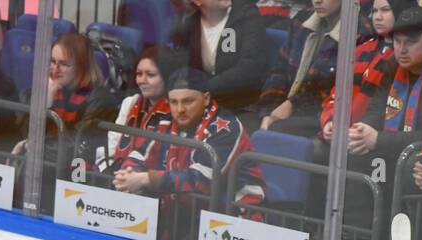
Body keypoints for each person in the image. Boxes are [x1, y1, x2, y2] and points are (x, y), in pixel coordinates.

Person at [114, 69, 265, 240]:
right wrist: (128, 173)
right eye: (174, 102)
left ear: (206, 99)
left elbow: (200, 180)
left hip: (234, 220)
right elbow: (140, 154)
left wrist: (146, 179)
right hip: (187, 211)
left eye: (188, 101)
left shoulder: (226, 127)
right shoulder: (167, 119)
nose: (180, 109)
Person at [14, 33, 116, 170]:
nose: (55, 70)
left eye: (63, 64)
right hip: (42, 168)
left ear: (82, 66)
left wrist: (33, 146)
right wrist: (46, 104)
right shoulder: (42, 90)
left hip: (79, 173)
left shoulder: (99, 98)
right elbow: (23, 131)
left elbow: (77, 145)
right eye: (52, 61)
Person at [349, 6, 422, 165]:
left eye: (411, 42)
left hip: (418, 154)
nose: (402, 50)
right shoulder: (392, 65)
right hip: (394, 147)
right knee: (354, 151)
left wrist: (379, 139)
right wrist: (363, 130)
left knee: (413, 165)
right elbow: (377, 109)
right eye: (397, 41)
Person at [319, 0, 407, 141]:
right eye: (374, 11)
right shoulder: (361, 49)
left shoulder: (404, 58)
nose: (377, 17)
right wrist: (329, 120)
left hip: (366, 136)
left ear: (401, 11)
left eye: (385, 10)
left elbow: (381, 110)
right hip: (340, 130)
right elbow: (337, 93)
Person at [169, 0, 270, 118]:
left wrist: (205, 88)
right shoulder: (190, 23)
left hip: (240, 106)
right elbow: (181, 67)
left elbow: (250, 68)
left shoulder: (246, 15)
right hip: (200, 105)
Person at [258, 0, 344, 134]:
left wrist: (292, 105)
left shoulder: (357, 31)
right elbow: (279, 70)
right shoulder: (301, 20)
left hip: (323, 115)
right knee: (239, 127)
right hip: (286, 106)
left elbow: (332, 88)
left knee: (277, 131)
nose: (317, 1)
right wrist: (268, 112)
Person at [102, 46, 174, 173]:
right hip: (117, 175)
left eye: (150, 75)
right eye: (139, 74)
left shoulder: (176, 109)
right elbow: (111, 145)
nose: (142, 81)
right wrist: (107, 170)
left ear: (167, 76)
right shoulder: (130, 102)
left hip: (150, 182)